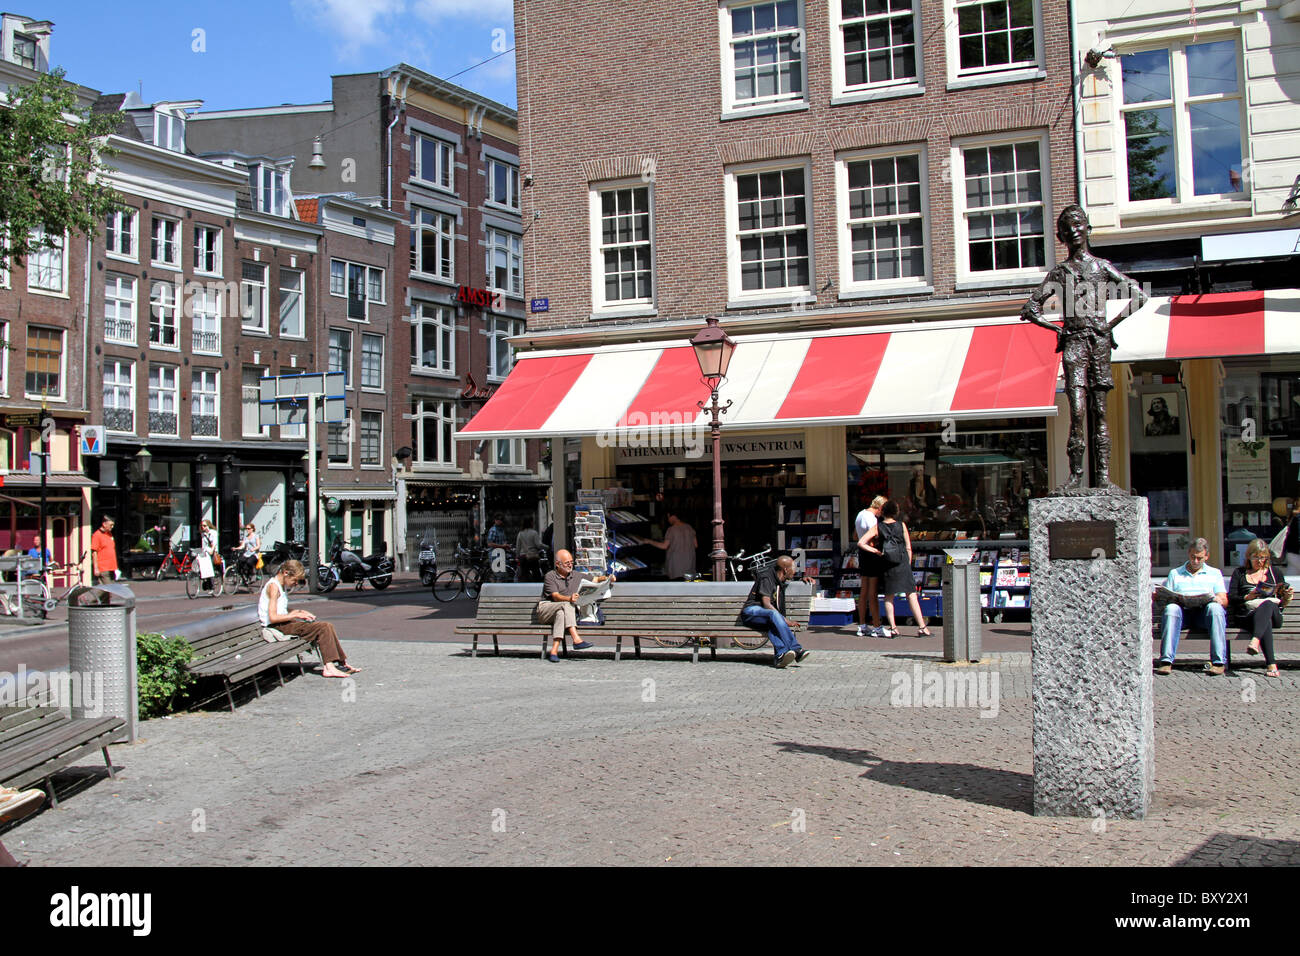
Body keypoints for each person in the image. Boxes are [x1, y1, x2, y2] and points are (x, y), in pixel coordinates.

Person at [1021, 204, 1148, 492]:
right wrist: (1057, 329)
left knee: (1100, 411)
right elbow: (1030, 308)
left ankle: (1103, 476)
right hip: (1075, 342)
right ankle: (1075, 475)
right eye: (1068, 227)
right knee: (1077, 411)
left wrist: (1110, 324)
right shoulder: (1059, 272)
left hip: (1099, 342)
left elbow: (1139, 295)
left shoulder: (1101, 266)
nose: (1074, 230)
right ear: (1061, 235)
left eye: (1078, 224)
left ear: (1087, 229)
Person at [259, 559, 358, 678]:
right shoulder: (273, 587)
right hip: (277, 627)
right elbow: (273, 617)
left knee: (327, 626)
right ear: (285, 573)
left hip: (284, 624)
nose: (296, 584)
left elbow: (280, 609)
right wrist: (295, 615)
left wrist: (298, 611)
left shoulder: (280, 585)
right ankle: (329, 667)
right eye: (294, 580)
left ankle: (341, 663)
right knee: (323, 627)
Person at [1155, 539, 1229, 675]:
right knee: (1171, 609)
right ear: (1188, 554)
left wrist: (1218, 599)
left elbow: (1224, 600)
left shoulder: (1215, 573)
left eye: (1199, 558)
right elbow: (1166, 600)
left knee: (1216, 609)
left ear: (1207, 556)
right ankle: (1166, 661)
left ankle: (1218, 662)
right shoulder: (1175, 573)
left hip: (1204, 616)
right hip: (1183, 615)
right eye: (1193, 557)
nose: (1195, 561)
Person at [862, 499, 931, 637]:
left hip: (887, 564)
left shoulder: (878, 527)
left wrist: (876, 551)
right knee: (911, 595)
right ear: (896, 512)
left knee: (889, 597)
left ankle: (893, 628)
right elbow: (908, 546)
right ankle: (922, 627)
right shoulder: (902, 525)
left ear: (883, 512)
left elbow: (861, 542)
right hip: (903, 563)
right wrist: (908, 561)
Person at [1228, 539, 1289, 678]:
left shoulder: (1275, 572)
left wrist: (1286, 595)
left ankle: (1255, 640)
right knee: (1264, 620)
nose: (1260, 561)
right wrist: (1246, 597)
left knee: (1267, 604)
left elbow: (1281, 600)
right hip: (1248, 615)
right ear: (1248, 556)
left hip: (1274, 615)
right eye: (1256, 557)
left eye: (1263, 557)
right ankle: (1271, 664)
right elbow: (1232, 597)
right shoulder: (1240, 573)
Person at [537, 549, 611, 661]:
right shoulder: (550, 576)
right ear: (558, 564)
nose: (570, 565)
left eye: (571, 562)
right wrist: (569, 598)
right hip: (546, 609)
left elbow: (595, 579)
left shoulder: (575, 575)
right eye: (567, 563)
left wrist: (608, 578)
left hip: (560, 611)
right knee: (567, 604)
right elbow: (556, 597)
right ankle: (576, 639)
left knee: (561, 614)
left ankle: (554, 651)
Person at [738, 554, 809, 668]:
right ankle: (797, 649)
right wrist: (786, 620)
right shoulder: (766, 577)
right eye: (793, 569)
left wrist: (803, 580)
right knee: (773, 614)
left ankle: (781, 656)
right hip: (751, 612)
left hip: (766, 617)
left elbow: (790, 579)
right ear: (785, 569)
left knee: (773, 624)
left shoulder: (780, 579)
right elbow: (766, 604)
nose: (795, 572)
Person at [854, 495, 887, 637]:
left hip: (862, 554)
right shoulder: (871, 518)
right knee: (872, 592)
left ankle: (862, 624)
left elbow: (855, 535)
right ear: (880, 507)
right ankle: (876, 625)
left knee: (864, 591)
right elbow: (873, 537)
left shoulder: (860, 514)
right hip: (871, 553)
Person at [650, 511, 697, 580]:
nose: (668, 520)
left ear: (672, 516)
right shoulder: (689, 527)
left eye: (668, 517)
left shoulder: (671, 529)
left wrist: (649, 541)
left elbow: (664, 546)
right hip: (689, 563)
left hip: (675, 565)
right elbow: (695, 545)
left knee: (676, 585)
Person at [91, 516, 118, 585]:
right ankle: (92, 596)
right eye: (111, 525)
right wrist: (96, 568)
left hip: (111, 567)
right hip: (103, 567)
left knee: (107, 591)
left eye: (113, 525)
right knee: (107, 589)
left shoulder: (109, 534)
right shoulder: (97, 535)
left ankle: (98, 596)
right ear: (104, 524)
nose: (112, 527)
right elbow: (94, 553)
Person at [515, 516, 542, 582]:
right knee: (536, 574)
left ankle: (525, 588)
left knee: (524, 574)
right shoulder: (534, 533)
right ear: (531, 523)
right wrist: (547, 547)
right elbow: (538, 545)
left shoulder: (520, 534)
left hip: (523, 557)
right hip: (533, 556)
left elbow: (518, 547)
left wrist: (517, 556)